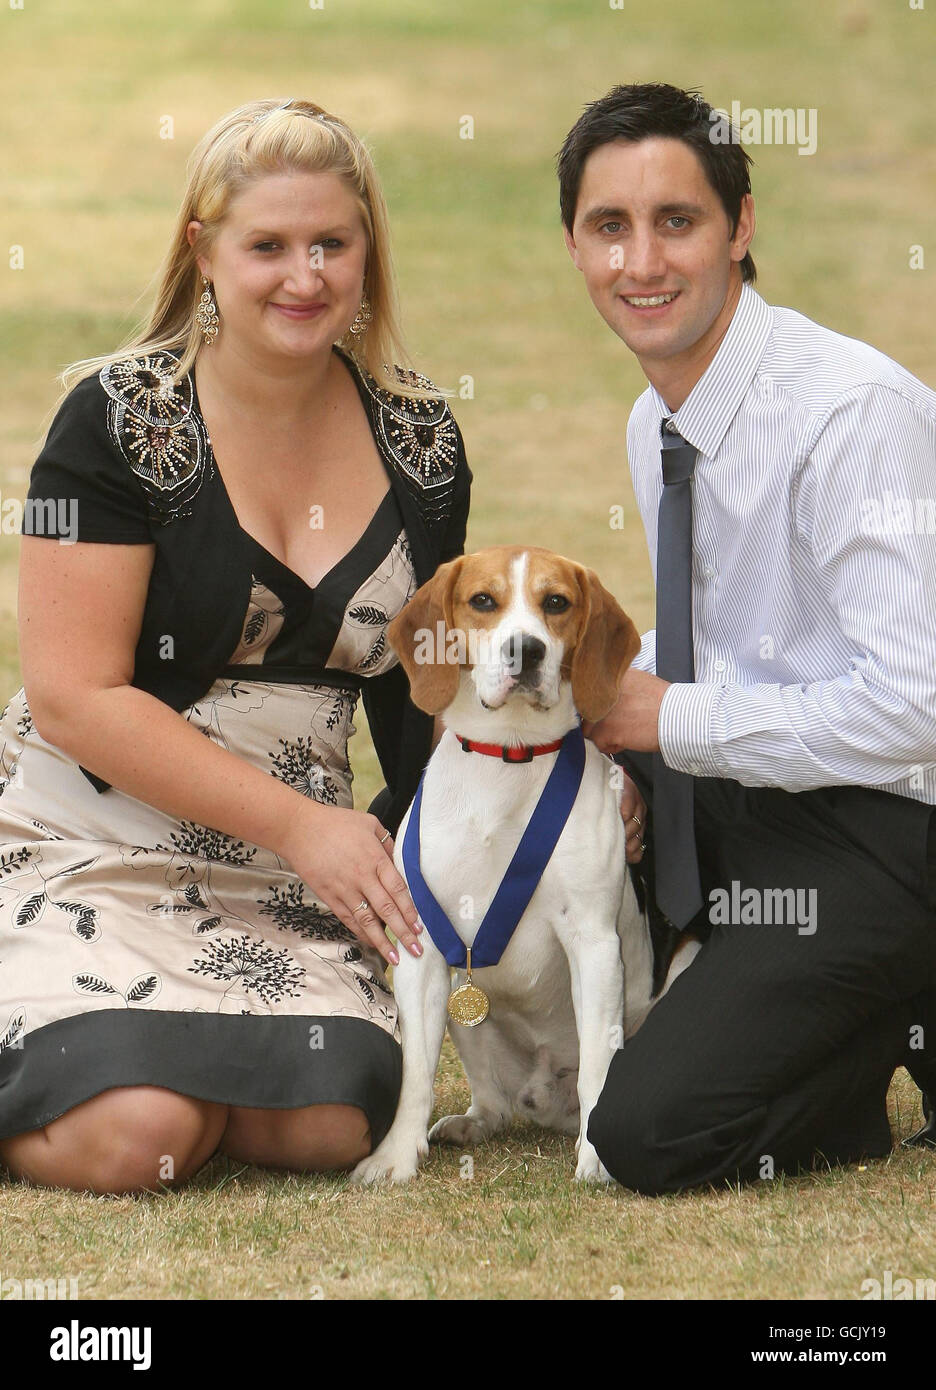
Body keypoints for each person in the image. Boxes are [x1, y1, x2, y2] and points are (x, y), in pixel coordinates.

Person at [0, 97, 470, 1196]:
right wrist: (311, 825)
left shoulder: (424, 440)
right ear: (203, 252)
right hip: (98, 841)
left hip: (294, 880)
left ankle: (157, 1071)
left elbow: (422, 706)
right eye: (267, 246)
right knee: (135, 1136)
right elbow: (70, 696)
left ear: (367, 256)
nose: (303, 276)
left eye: (330, 245)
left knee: (329, 1122)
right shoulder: (114, 417)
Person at [556, 82, 936, 1195]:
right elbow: (738, 646)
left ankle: (877, 1027)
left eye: (677, 221)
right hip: (764, 788)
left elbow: (917, 705)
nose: (642, 262)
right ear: (574, 244)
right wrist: (632, 745)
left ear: (742, 227)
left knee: (652, 1134)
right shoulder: (657, 418)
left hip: (893, 825)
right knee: (490, 790)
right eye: (608, 228)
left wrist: (668, 719)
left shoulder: (847, 413)